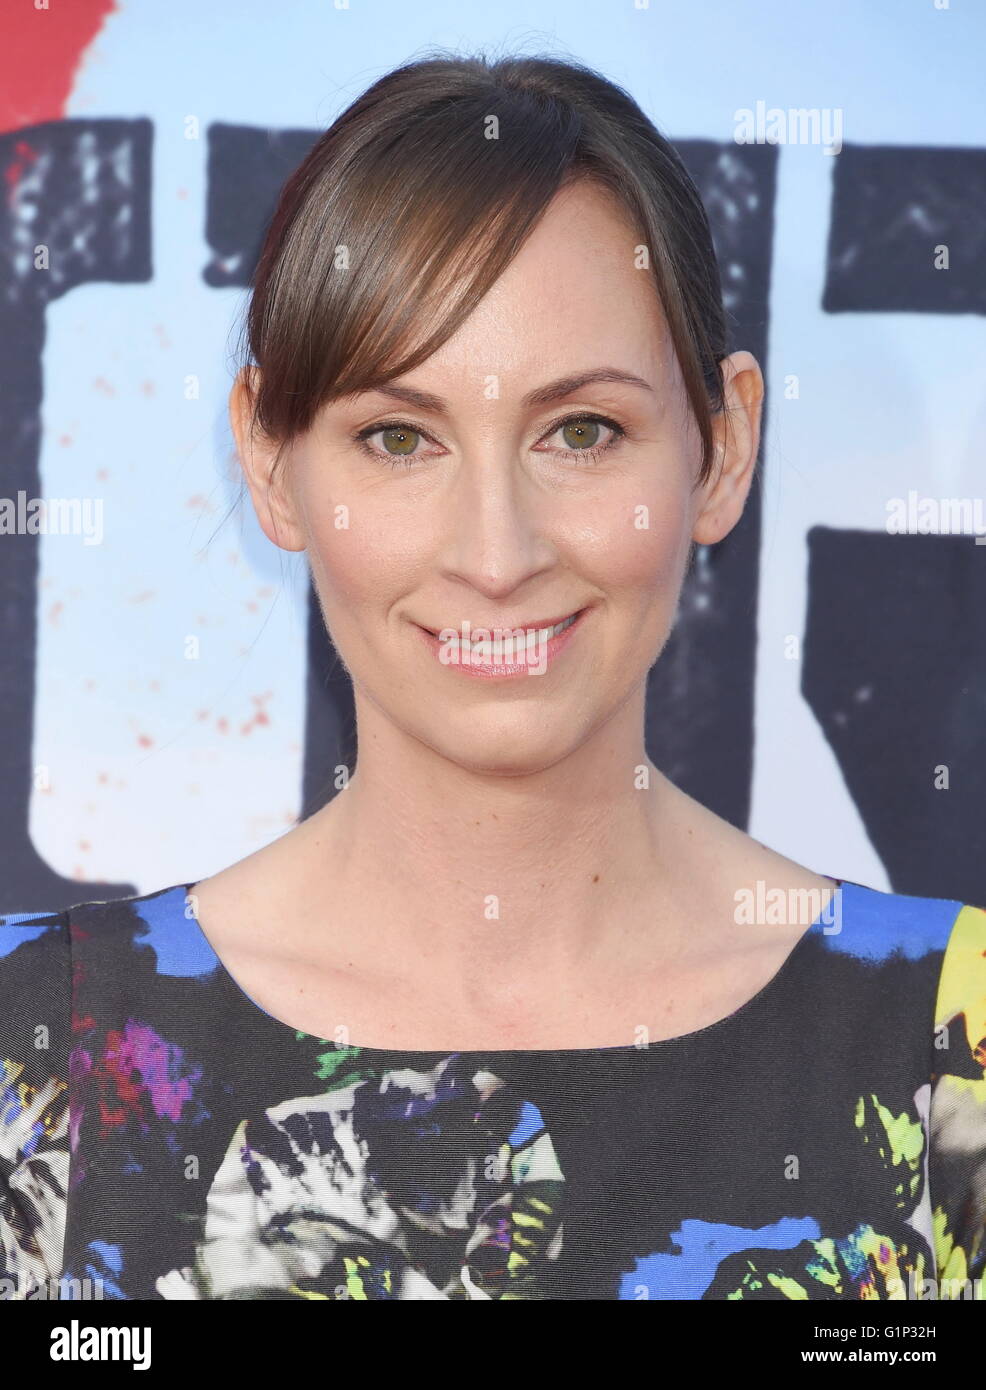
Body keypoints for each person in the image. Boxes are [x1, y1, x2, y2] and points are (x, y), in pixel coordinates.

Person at [2, 52, 984, 1303]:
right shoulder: (35, 1045)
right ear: (269, 457)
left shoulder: (953, 1040)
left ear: (722, 447)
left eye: (581, 431)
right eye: (397, 437)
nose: (495, 551)